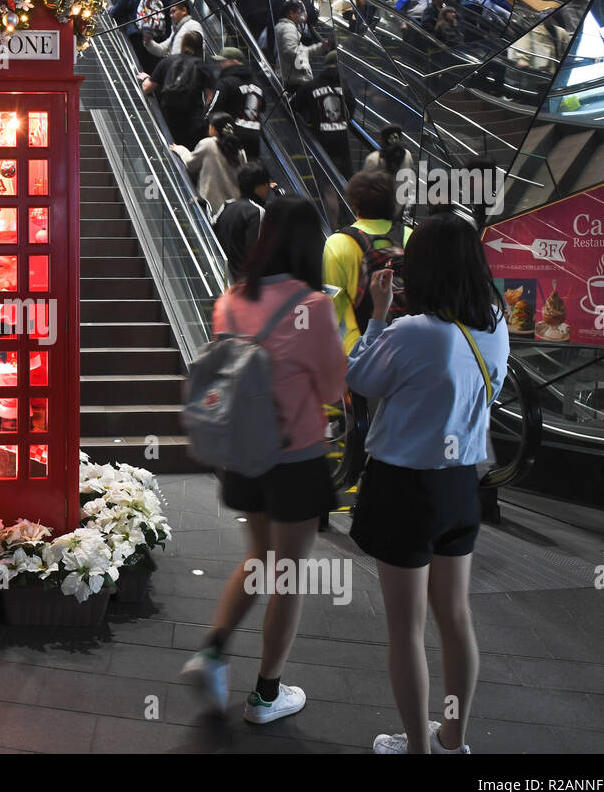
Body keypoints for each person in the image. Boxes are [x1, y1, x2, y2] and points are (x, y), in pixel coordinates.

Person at [180, 196, 347, 719]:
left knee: (259, 558)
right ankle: (267, 696)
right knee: (289, 575)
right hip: (295, 458)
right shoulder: (314, 307)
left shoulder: (229, 300)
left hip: (243, 456)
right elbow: (336, 385)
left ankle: (211, 652)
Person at [347, 214, 508, 753]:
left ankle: (416, 747)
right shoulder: (494, 326)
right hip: (462, 486)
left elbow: (360, 379)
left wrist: (376, 315)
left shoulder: (413, 332)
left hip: (404, 490)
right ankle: (452, 739)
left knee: (407, 630)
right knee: (455, 619)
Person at [323, 168, 412, 355]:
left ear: (354, 203)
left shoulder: (338, 243)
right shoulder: (410, 236)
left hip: (358, 350)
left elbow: (333, 308)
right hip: (407, 345)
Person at [171, 110, 248, 217]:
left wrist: (180, 149)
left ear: (213, 128)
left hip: (209, 206)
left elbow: (190, 164)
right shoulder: (240, 151)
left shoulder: (208, 144)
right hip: (231, 209)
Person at [142, 29, 210, 148]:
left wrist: (145, 79)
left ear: (182, 44)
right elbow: (210, 97)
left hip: (169, 117)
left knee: (169, 146)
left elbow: (148, 88)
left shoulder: (167, 61)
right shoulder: (203, 66)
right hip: (192, 120)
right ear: (200, 47)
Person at [293, 50, 355, 179]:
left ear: (324, 65)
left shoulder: (311, 86)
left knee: (326, 179)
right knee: (347, 177)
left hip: (321, 139)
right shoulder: (345, 87)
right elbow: (352, 107)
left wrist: (308, 123)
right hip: (344, 138)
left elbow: (292, 106)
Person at [211, 159, 271, 277]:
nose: (268, 188)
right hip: (242, 282)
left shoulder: (227, 205)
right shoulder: (256, 211)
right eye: (266, 184)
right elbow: (254, 252)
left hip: (221, 274)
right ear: (257, 187)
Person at [210, 47, 265, 160]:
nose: (220, 65)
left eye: (223, 61)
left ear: (234, 61)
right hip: (254, 136)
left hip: (232, 137)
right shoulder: (257, 84)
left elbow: (213, 110)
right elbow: (263, 107)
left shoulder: (225, 82)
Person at [275, 0, 331, 89]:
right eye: (298, 13)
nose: (299, 15)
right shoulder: (288, 27)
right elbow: (290, 51)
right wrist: (303, 67)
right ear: (291, 14)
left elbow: (302, 51)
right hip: (295, 80)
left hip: (292, 78)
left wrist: (321, 47)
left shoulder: (284, 27)